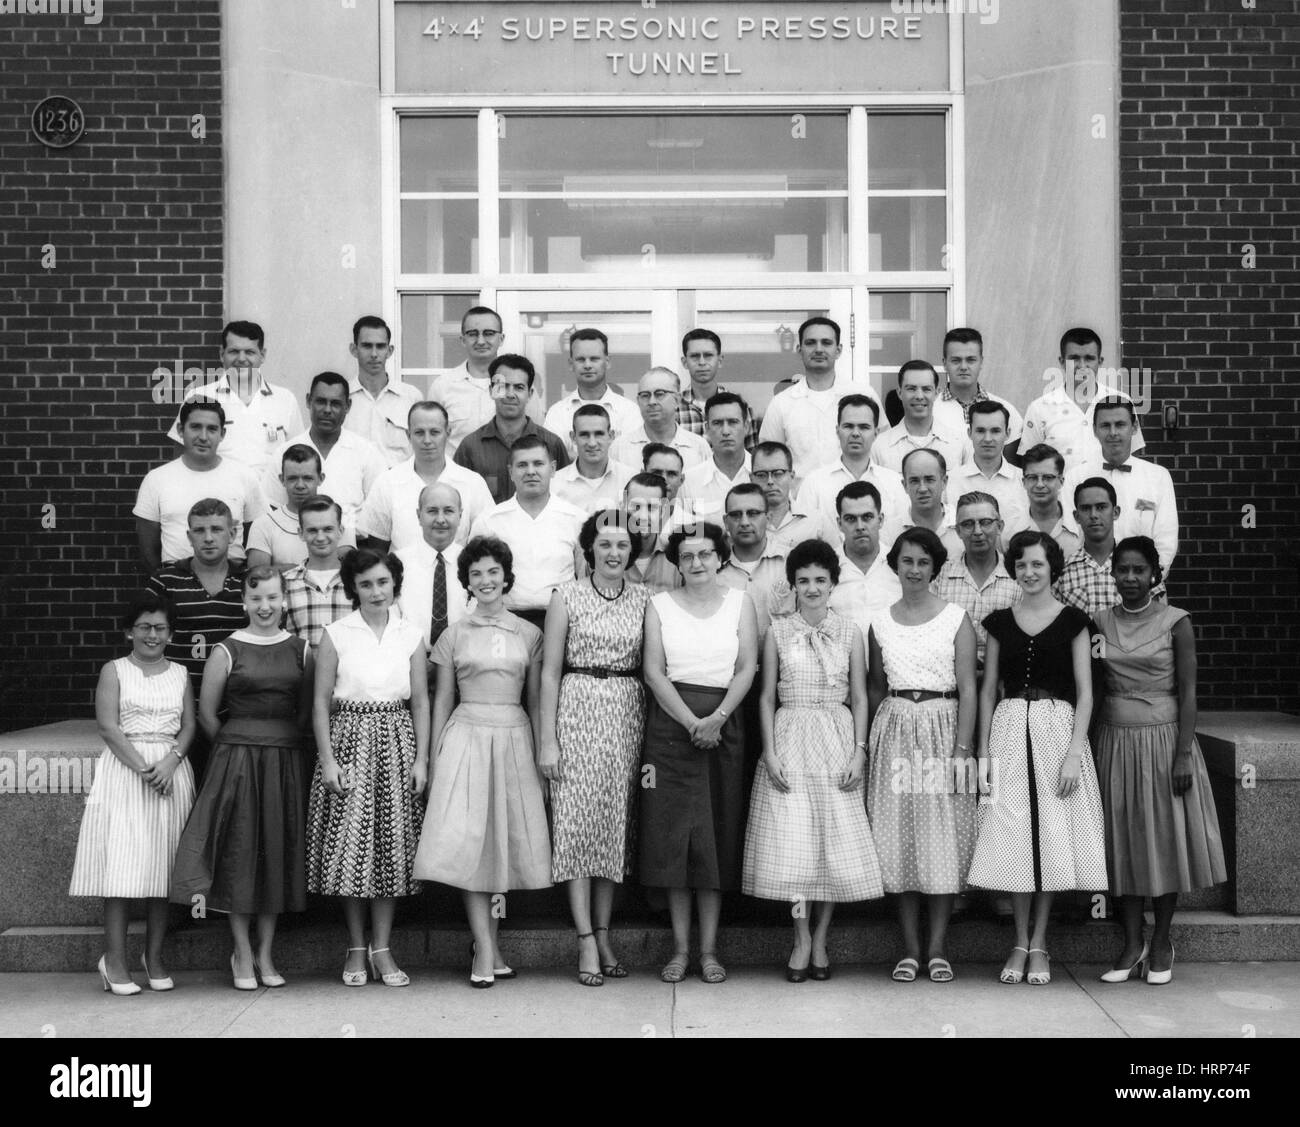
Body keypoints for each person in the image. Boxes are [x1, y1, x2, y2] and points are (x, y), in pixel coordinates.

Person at [966, 531, 1108, 986]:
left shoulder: (1074, 621)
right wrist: (985, 751)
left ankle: (1040, 942)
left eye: (1038, 565)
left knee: (1049, 838)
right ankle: (1018, 940)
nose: (1029, 573)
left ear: (1053, 569)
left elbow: (1086, 694)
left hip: (1056, 731)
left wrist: (1072, 754)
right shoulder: (998, 623)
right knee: (1015, 839)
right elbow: (988, 692)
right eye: (1022, 565)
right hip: (1009, 729)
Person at [742, 539, 884, 981]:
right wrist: (770, 751)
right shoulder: (778, 631)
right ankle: (801, 935)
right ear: (793, 585)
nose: (812, 588)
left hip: (836, 736)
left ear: (833, 583)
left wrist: (859, 751)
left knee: (833, 846)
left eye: (820, 580)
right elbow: (765, 697)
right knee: (796, 846)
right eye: (803, 581)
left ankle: (822, 936)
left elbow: (860, 697)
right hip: (791, 735)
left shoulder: (849, 631)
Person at [414, 536, 552, 987]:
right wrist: (432, 758)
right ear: (467, 582)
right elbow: (443, 700)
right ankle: (485, 949)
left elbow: (534, 702)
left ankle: (488, 945)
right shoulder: (454, 634)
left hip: (513, 737)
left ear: (506, 577)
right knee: (472, 844)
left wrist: (539, 752)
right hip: (466, 737)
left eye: (493, 572)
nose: (486, 580)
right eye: (477, 574)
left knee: (502, 845)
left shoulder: (530, 634)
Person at [170, 567, 311, 990]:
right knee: (240, 853)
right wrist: (236, 746)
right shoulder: (225, 650)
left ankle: (266, 952)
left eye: (272, 598)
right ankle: (241, 952)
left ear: (284, 599)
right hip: (237, 762)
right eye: (256, 599)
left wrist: (280, 743)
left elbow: (305, 712)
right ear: (244, 602)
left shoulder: (302, 650)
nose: (264, 607)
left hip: (284, 762)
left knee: (275, 853)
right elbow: (208, 714)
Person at [1093, 537, 1226, 986]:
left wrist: (1184, 753)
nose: (1130, 578)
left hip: (1165, 740)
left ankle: (1163, 938)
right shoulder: (1098, 623)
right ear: (1112, 574)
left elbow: (1188, 692)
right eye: (1122, 570)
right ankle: (1132, 944)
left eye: (1139, 570)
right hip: (1115, 739)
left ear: (1155, 574)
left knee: (1163, 839)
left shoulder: (1176, 622)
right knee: (1124, 842)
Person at [641, 523, 759, 985]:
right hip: (671, 730)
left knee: (714, 840)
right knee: (673, 841)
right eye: (687, 556)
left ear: (720, 557)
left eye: (705, 554)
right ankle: (679, 949)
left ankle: (709, 952)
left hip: (725, 724)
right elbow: (653, 671)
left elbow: (747, 665)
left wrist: (719, 717)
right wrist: (692, 723)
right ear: (676, 561)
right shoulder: (659, 605)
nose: (696, 563)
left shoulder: (740, 602)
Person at [307, 549, 429, 988]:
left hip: (396, 742)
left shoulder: (411, 634)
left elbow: (420, 701)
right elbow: (321, 702)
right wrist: (327, 760)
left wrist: (421, 759)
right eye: (366, 584)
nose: (376, 592)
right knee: (351, 849)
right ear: (353, 588)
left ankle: (383, 946)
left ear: (395, 583)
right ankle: (356, 945)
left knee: (390, 851)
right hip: (349, 742)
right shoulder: (337, 634)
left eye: (383, 582)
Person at [538, 511, 652, 987]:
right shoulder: (567, 596)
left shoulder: (646, 599)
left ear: (632, 552)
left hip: (625, 712)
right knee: (575, 825)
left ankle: (604, 933)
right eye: (604, 544)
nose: (613, 553)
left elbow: (652, 667)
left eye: (622, 545)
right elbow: (548, 671)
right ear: (590, 548)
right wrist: (547, 739)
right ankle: (584, 936)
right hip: (577, 705)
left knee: (612, 828)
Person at [69, 592, 197, 995]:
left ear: (170, 633)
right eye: (144, 627)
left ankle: (154, 957)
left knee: (163, 870)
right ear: (130, 631)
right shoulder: (115, 670)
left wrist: (172, 761)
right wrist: (145, 769)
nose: (152, 635)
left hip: (170, 773)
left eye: (160, 628)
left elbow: (190, 727)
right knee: (122, 869)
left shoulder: (180, 673)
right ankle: (115, 961)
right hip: (126, 773)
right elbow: (108, 727)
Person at [866, 527, 978, 984]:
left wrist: (963, 750)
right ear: (896, 565)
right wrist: (871, 745)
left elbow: (969, 687)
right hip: (894, 728)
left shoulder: (956, 617)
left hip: (942, 727)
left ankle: (937, 948)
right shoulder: (879, 620)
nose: (914, 570)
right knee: (899, 836)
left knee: (940, 840)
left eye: (923, 562)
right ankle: (909, 949)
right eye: (907, 561)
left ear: (935, 568)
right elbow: (875, 687)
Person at [146, 499, 248, 777]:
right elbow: (148, 643)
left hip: (236, 708)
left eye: (217, 529)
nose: (208, 538)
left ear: (233, 534)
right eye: (200, 531)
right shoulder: (165, 580)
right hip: (180, 709)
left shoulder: (249, 580)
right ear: (189, 536)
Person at [470, 435, 586, 631]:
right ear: (511, 472)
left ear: (553, 468)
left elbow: (584, 577)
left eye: (538, 463)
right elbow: (475, 578)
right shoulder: (490, 521)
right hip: (504, 621)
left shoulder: (576, 519)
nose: (530, 471)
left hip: (563, 621)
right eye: (522, 465)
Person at [136, 398, 264, 571]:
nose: (203, 437)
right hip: (175, 582)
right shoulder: (156, 479)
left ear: (222, 434)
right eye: (195, 427)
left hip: (233, 582)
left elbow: (257, 536)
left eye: (212, 429)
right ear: (181, 430)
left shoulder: (245, 476)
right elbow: (148, 549)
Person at [165, 320, 302, 475]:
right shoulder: (199, 396)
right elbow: (180, 459)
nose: (241, 359)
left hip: (270, 497)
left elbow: (300, 456)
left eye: (249, 352)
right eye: (234, 351)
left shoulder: (285, 399)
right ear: (222, 354)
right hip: (217, 495)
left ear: (262, 355)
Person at [262, 372, 387, 541]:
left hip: (353, 550)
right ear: (308, 401)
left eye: (335, 403)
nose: (327, 410)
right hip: (298, 541)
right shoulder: (285, 453)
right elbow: (272, 506)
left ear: (348, 406)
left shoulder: (366, 452)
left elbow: (380, 512)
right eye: (321, 402)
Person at [357, 400, 493, 553]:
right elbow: (377, 550)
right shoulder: (387, 483)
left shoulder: (473, 483)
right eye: (419, 433)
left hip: (457, 575)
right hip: (403, 575)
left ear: (448, 433)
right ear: (408, 435)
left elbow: (485, 545)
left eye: (434, 432)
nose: (427, 440)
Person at [1065, 397, 1179, 576]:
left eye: (1120, 424)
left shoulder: (1158, 476)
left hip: (1142, 585)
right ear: (1094, 430)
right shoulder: (1075, 476)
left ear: (1134, 428)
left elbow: (1166, 539)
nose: (1113, 432)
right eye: (1105, 425)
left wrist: (1151, 579)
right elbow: (1071, 536)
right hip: (1087, 584)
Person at [760, 317, 882, 477]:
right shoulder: (782, 403)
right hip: (801, 499)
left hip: (857, 496)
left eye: (826, 343)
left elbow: (881, 452)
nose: (818, 349)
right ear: (799, 349)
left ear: (838, 350)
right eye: (810, 343)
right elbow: (769, 459)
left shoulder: (864, 395)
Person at [1016, 327, 1145, 469]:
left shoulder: (1120, 401)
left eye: (1089, 358)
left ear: (1100, 361)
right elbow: (1027, 463)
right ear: (1062, 361)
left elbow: (1134, 456)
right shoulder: (1039, 408)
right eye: (1074, 358)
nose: (1082, 365)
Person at [427, 306, 544, 456]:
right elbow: (431, 437)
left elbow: (537, 434)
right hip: (459, 476)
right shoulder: (442, 386)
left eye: (489, 333)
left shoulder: (520, 387)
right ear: (462, 340)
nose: (481, 341)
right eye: (472, 334)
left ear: (501, 339)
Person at [795, 394, 909, 548]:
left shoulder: (894, 482)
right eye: (848, 426)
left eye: (864, 427)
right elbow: (803, 540)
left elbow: (903, 538)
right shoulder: (814, 483)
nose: (855, 433)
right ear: (837, 430)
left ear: (876, 433)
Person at [453, 354, 569, 504]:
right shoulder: (470, 446)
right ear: (491, 390)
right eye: (503, 386)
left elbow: (565, 497)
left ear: (530, 394)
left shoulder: (552, 444)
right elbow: (457, 501)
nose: (510, 394)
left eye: (519, 387)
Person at [931, 491, 1022, 672]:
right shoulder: (941, 575)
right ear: (957, 531)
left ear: (1000, 526)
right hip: (950, 677)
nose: (977, 531)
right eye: (968, 524)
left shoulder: (1018, 575)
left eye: (986, 522)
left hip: (1004, 678)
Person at [248, 445, 355, 572]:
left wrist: (287, 570)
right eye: (293, 478)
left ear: (321, 478)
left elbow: (346, 569)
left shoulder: (341, 517)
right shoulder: (263, 524)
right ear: (282, 480)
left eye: (307, 478)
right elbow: (256, 576)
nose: (300, 485)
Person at [396, 482, 472, 661]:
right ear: (418, 515)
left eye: (448, 511)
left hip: (463, 662)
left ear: (460, 515)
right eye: (432, 511)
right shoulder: (397, 564)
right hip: (409, 662)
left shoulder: (474, 564)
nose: (440, 519)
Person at [827, 482, 902, 647]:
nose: (860, 526)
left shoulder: (901, 565)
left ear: (881, 519)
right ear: (839, 523)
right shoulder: (824, 568)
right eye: (851, 519)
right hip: (842, 670)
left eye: (867, 517)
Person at [543, 327, 640, 454]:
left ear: (607, 362)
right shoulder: (557, 413)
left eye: (594, 359)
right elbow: (554, 461)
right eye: (581, 359)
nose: (587, 365)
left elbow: (630, 461)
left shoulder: (629, 412)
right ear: (571, 364)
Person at [343, 315, 423, 466]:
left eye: (380, 346)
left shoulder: (411, 397)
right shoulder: (341, 398)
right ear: (354, 349)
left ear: (390, 350)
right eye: (367, 346)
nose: (374, 354)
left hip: (398, 486)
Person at [871, 360, 970, 476]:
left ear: (937, 393)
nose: (919, 396)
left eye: (926, 389)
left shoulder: (960, 443)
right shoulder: (878, 446)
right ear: (899, 393)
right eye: (911, 389)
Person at [719, 483, 789, 642]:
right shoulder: (713, 568)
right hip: (731, 665)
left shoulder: (790, 562)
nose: (744, 522)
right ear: (725, 521)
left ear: (768, 518)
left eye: (753, 513)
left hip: (782, 664)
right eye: (736, 514)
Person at [932, 327, 1024, 448]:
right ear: (944, 363)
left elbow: (1012, 464)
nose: (963, 367)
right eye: (956, 360)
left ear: (981, 362)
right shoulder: (930, 410)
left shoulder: (1006, 410)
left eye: (971, 360)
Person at [944, 401, 1026, 535]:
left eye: (995, 431)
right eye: (980, 431)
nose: (988, 439)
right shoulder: (950, 481)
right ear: (969, 433)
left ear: (1008, 434)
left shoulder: (1023, 481)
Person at [282, 497, 353, 650]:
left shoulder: (358, 581)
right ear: (301, 533)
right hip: (301, 673)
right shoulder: (284, 583)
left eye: (328, 529)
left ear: (340, 531)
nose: (320, 537)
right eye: (312, 530)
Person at [609, 367, 711, 471]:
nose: (652, 401)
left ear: (677, 400)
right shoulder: (619, 449)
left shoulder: (699, 447)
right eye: (645, 395)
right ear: (638, 401)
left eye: (659, 394)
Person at [676, 329, 758, 453]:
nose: (702, 362)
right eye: (695, 356)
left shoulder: (740, 407)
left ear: (719, 360)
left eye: (708, 355)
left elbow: (752, 461)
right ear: (685, 362)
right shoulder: (673, 409)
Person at [679, 391, 752, 524]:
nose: (725, 431)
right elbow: (689, 536)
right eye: (717, 423)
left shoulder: (763, 475)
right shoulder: (689, 481)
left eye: (733, 422)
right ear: (707, 428)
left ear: (746, 427)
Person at [1056, 477, 1126, 615]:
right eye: (1086, 508)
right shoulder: (1062, 572)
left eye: (1101, 507)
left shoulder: (1138, 566)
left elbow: (1159, 623)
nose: (1093, 515)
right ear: (1076, 516)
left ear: (1115, 512)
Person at [1001, 443, 1082, 558]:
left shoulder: (1080, 528)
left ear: (1061, 481)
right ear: (1023, 482)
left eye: (1048, 478)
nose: (1039, 485)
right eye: (1032, 478)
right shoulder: (1009, 532)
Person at [552, 404, 633, 513]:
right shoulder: (553, 484)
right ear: (573, 437)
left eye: (599, 434)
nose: (592, 443)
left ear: (611, 436)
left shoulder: (631, 480)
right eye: (584, 435)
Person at [752, 441, 829, 555]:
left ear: (792, 477)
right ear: (751, 478)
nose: (770, 481)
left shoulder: (816, 523)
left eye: (778, 473)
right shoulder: (743, 524)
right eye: (761, 475)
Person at [621, 472, 681, 593]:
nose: (642, 516)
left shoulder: (678, 558)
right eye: (636, 507)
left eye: (651, 507)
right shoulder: (603, 555)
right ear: (623, 507)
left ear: (663, 511)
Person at [901, 449, 963, 559]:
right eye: (914, 481)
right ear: (905, 485)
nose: (922, 489)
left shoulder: (964, 526)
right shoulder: (889, 531)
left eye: (929, 480)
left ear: (944, 482)